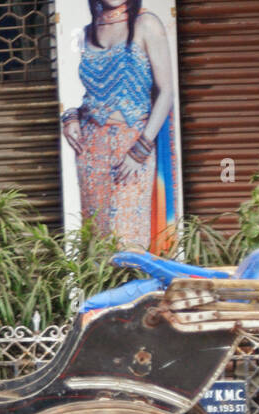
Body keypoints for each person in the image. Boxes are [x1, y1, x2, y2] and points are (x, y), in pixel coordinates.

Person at [61, 0, 179, 254]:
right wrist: (70, 117)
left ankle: (138, 294)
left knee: (129, 242)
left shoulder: (146, 24)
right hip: (90, 152)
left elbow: (166, 91)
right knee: (97, 243)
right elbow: (90, 97)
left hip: (133, 147)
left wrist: (142, 148)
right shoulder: (87, 32)